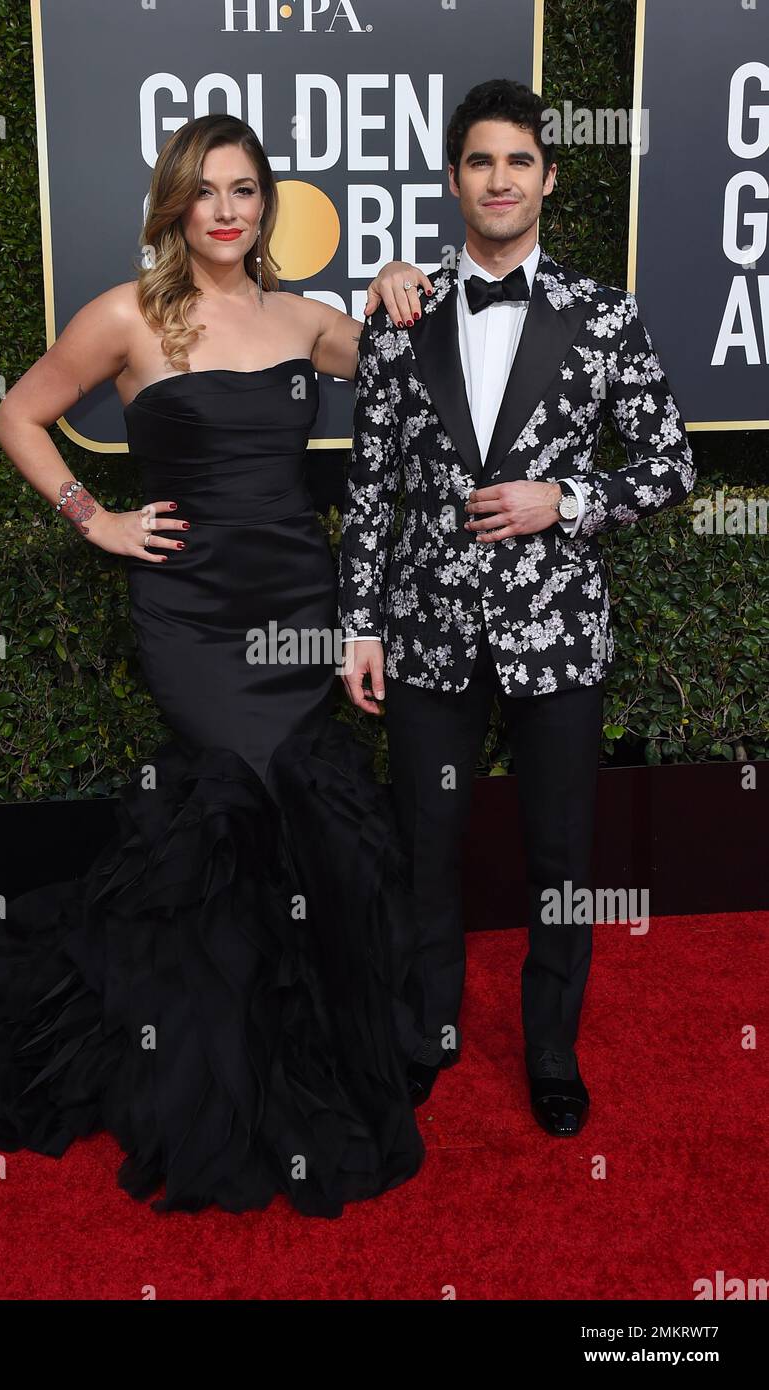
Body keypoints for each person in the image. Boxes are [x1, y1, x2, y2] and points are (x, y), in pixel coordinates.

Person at [0, 113, 440, 1218]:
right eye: (206, 190)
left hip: (296, 602)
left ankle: (304, 1041)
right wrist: (96, 519)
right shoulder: (128, 317)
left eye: (245, 190)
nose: (227, 210)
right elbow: (17, 413)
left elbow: (407, 371)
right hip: (192, 612)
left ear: (267, 205)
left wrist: (399, 279)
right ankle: (208, 1064)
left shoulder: (301, 317)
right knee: (230, 812)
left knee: (306, 812)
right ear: (176, 204)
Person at [339, 78, 696, 1134]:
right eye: (479, 162)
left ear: (548, 177)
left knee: (560, 855)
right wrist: (361, 622)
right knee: (425, 841)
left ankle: (550, 1048)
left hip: (557, 635)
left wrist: (569, 500)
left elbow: (673, 463)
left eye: (518, 161)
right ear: (453, 180)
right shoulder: (401, 314)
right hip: (427, 631)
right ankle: (428, 1033)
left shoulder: (602, 315)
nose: (499, 179)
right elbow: (370, 485)